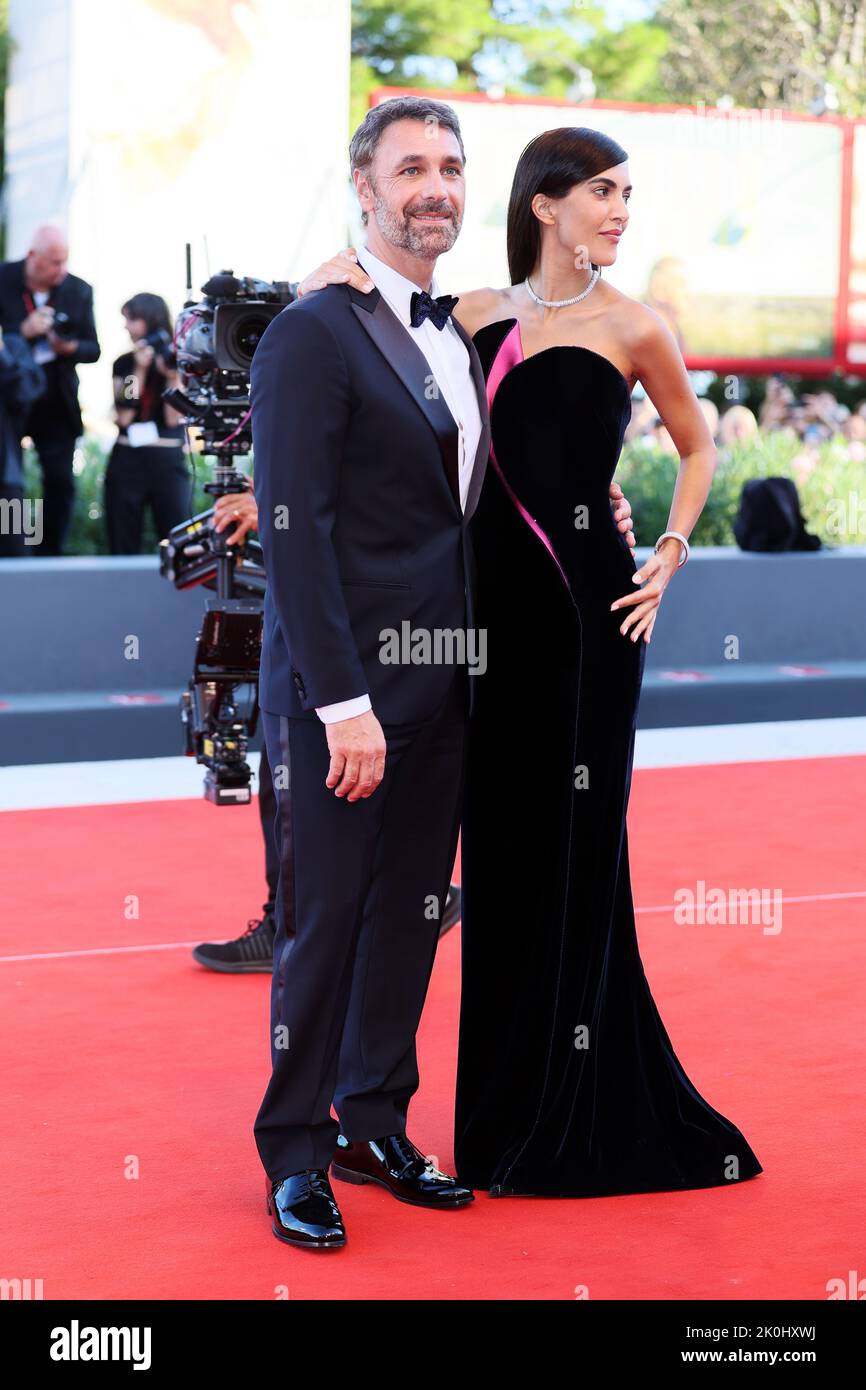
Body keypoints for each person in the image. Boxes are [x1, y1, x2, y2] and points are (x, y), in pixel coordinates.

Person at [302, 114, 763, 1198]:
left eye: (623, 194)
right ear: (543, 204)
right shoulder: (466, 313)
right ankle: (500, 1111)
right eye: (599, 192)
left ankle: (571, 1116)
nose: (616, 211)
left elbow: (695, 448)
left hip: (592, 620)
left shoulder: (636, 324)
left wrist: (667, 548)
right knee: (498, 854)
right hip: (481, 622)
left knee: (575, 850)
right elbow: (374, 380)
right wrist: (329, 274)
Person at [190, 487, 465, 975]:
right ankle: (329, 914)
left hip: (369, 626)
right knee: (293, 785)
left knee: (329, 788)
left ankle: (340, 918)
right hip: (362, 629)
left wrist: (278, 509)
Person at [0, 225, 100, 554]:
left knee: (58, 482)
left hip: (56, 400)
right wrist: (22, 331)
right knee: (10, 481)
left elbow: (93, 348)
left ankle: (46, 552)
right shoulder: (4, 279)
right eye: (54, 263)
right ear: (33, 257)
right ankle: (15, 550)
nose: (61, 270)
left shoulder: (78, 290)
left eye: (64, 262)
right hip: (9, 398)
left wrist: (67, 347)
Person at [105, 293, 190, 553]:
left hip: (166, 459)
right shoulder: (124, 363)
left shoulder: (178, 360)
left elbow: (173, 418)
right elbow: (124, 416)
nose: (126, 327)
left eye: (131, 320)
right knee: (122, 538)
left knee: (177, 537)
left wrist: (172, 378)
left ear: (149, 320)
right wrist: (139, 371)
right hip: (128, 458)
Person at [0, 327, 46, 557]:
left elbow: (25, 393)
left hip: (6, 475)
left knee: (19, 559)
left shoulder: (13, 347)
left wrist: (2, 354)